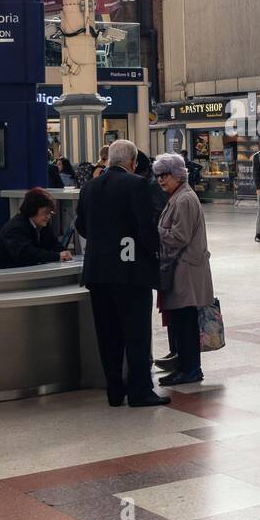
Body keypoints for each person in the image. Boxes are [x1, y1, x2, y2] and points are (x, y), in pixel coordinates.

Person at [75, 139, 167, 407]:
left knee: (108, 334)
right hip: (130, 272)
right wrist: (152, 251)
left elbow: (81, 225)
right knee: (136, 333)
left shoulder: (89, 187)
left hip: (98, 272)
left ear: (108, 160)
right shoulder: (137, 184)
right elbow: (146, 227)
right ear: (132, 162)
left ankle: (114, 391)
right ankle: (139, 391)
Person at [152, 153, 214, 386]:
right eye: (158, 175)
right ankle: (186, 367)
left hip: (186, 269)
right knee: (181, 321)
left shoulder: (184, 199)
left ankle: (190, 369)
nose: (160, 180)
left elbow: (180, 236)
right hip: (182, 268)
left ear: (178, 174)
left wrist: (156, 231)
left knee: (186, 322)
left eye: (165, 175)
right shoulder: (177, 197)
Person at [0, 187, 73, 269]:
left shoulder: (42, 224)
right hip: (0, 273)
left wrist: (64, 253)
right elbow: (26, 254)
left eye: (50, 213)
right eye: (45, 212)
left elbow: (53, 244)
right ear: (32, 209)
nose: (48, 216)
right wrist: (57, 256)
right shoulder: (15, 228)